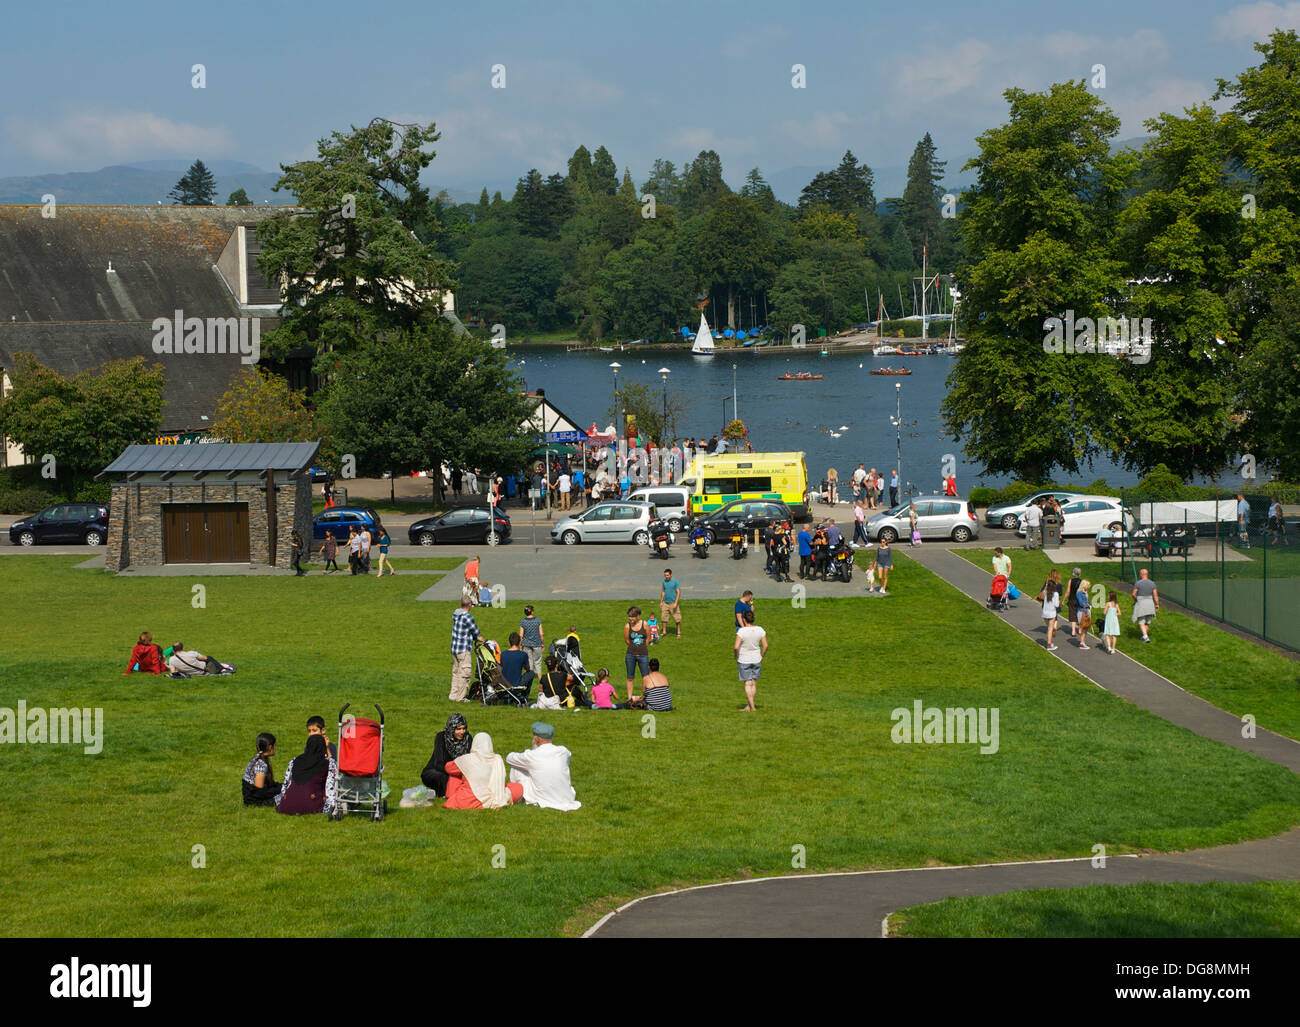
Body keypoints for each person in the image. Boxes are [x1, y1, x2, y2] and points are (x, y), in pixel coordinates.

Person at [506, 722, 581, 811]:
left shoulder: (532, 755)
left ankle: (517, 796)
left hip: (543, 798)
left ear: (537, 739)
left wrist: (531, 751)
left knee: (516, 767)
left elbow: (509, 758)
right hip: (566, 797)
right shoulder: (563, 751)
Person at [444, 733, 524, 810]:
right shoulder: (497, 759)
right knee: (517, 787)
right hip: (494, 796)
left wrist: (462, 765)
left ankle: (451, 796)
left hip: (467, 800)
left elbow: (448, 768)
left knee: (454, 775)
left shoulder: (467, 759)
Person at [275, 731, 337, 816]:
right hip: (312, 804)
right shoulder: (327, 764)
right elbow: (331, 786)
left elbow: (285, 784)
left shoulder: (295, 760)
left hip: (287, 804)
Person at [421, 714, 472, 797]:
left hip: (460, 770)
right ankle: (445, 793)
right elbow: (439, 762)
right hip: (438, 770)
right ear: (452, 728)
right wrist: (453, 771)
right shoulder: (441, 737)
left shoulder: (468, 738)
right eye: (458, 729)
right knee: (443, 777)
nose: (462, 732)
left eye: (464, 728)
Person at [734, 609, 768, 712]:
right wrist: (762, 655)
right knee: (753, 683)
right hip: (756, 659)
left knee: (747, 684)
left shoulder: (741, 631)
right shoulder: (760, 630)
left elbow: (736, 647)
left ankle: (752, 707)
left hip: (744, 660)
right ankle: (749, 706)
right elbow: (766, 645)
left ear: (744, 620)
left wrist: (736, 656)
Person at [449, 597, 480, 702]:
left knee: (456, 672)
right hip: (463, 649)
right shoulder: (467, 617)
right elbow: (475, 631)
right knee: (465, 673)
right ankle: (461, 698)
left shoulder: (456, 614)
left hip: (454, 649)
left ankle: (453, 696)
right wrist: (477, 637)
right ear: (470, 605)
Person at [241, 732, 279, 807]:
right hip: (254, 801)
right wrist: (278, 790)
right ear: (270, 747)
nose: (275, 748)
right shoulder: (261, 765)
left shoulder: (257, 757)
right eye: (275, 746)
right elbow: (259, 792)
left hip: (252, 796)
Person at [624, 606, 650, 701]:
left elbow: (648, 637)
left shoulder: (645, 624)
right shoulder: (627, 626)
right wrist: (634, 647)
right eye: (629, 616)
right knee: (630, 677)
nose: (630, 619)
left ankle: (646, 697)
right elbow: (627, 640)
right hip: (630, 654)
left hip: (643, 654)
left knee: (646, 676)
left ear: (638, 616)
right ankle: (629, 697)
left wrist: (643, 647)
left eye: (632, 617)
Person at [500, 632, 535, 697]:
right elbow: (528, 669)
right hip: (517, 685)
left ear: (509, 642)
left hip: (505, 685)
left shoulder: (503, 654)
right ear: (519, 642)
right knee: (531, 673)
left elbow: (501, 668)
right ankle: (524, 696)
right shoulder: (523, 654)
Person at [1131, 568, 1160, 643]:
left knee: (1141, 621)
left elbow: (1133, 594)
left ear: (1141, 574)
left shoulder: (1138, 583)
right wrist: (1157, 604)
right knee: (1147, 622)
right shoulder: (1152, 583)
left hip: (1141, 603)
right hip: (1150, 603)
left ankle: (1146, 637)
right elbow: (1155, 595)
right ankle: (1144, 636)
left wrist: (1135, 600)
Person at [1038, 568, 1063, 650]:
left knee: (1049, 628)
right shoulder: (1056, 594)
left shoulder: (1045, 592)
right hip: (1052, 613)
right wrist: (1058, 602)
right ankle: (1049, 644)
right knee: (1050, 629)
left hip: (1044, 613)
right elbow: (1056, 605)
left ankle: (1049, 642)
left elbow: (1042, 596)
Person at [519, 605, 545, 677]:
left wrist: (520, 646)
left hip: (526, 644)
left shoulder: (523, 622)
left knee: (529, 661)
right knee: (538, 661)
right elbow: (541, 634)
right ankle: (540, 677)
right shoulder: (538, 621)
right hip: (537, 644)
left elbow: (521, 635)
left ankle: (530, 676)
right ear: (532, 612)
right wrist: (542, 643)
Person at [660, 568, 682, 639]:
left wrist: (676, 603)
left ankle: (678, 632)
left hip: (673, 603)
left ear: (671, 575)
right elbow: (663, 592)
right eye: (665, 575)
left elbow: (678, 592)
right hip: (665, 603)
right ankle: (664, 632)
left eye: (667, 575)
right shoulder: (664, 582)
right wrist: (661, 602)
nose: (666, 577)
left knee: (677, 618)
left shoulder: (675, 581)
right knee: (663, 618)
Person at [1075, 579, 1093, 650]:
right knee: (1084, 627)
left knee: (1086, 627)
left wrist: (1089, 604)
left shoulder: (1085, 592)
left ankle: (1082, 642)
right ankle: (1082, 643)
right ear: (1084, 585)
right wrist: (1088, 605)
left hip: (1086, 611)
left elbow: (1087, 601)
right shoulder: (1079, 593)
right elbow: (1081, 603)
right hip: (1081, 611)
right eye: (1087, 585)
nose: (1088, 587)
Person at [1066, 567, 1083, 640]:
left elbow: (1068, 591)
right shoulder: (1082, 582)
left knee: (1073, 614)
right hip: (1079, 600)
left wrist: (1063, 600)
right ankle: (1079, 629)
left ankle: (1073, 631)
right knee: (1079, 614)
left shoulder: (1070, 581)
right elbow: (1084, 592)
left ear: (1073, 573)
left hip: (1072, 599)